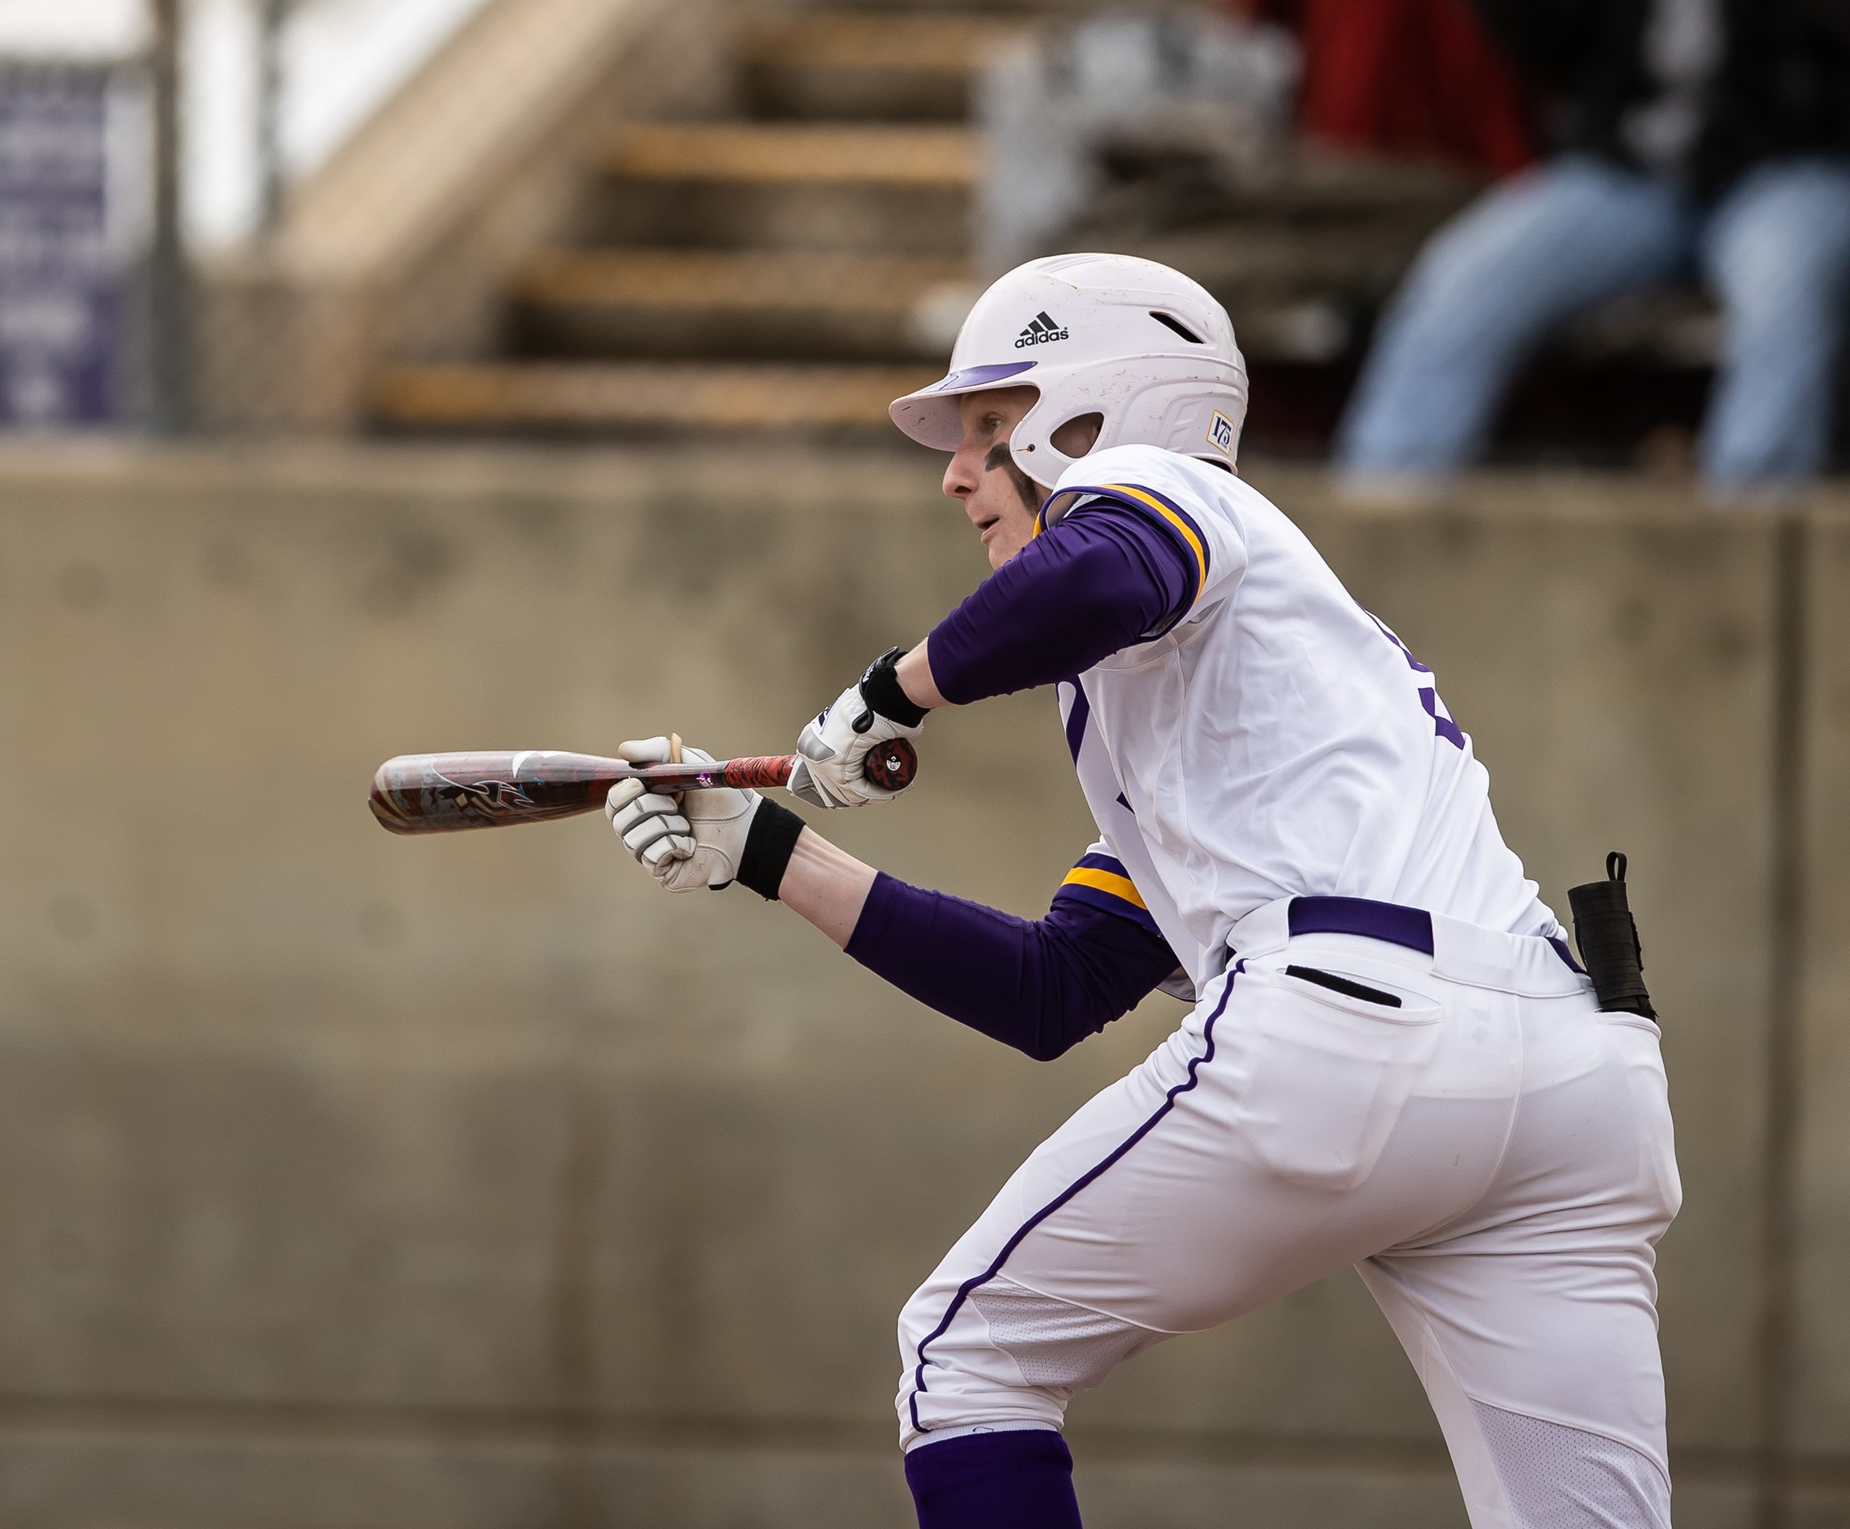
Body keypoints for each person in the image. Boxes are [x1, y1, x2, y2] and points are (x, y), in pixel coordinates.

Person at [604, 253, 1682, 1528]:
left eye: (990, 427)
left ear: (1093, 412)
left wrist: (894, 690)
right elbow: (1052, 988)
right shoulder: (1245, 692)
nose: (957, 473)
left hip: (1358, 1026)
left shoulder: (1167, 493)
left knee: (967, 1355)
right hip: (1574, 1079)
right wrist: (767, 850)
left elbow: (1099, 572)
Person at [1336, 0, 1850, 497]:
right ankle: (1379, 519)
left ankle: (1752, 529)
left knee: (1785, 286)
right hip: (1630, 173)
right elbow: (1545, 40)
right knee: (1463, 281)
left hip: (1791, 166)